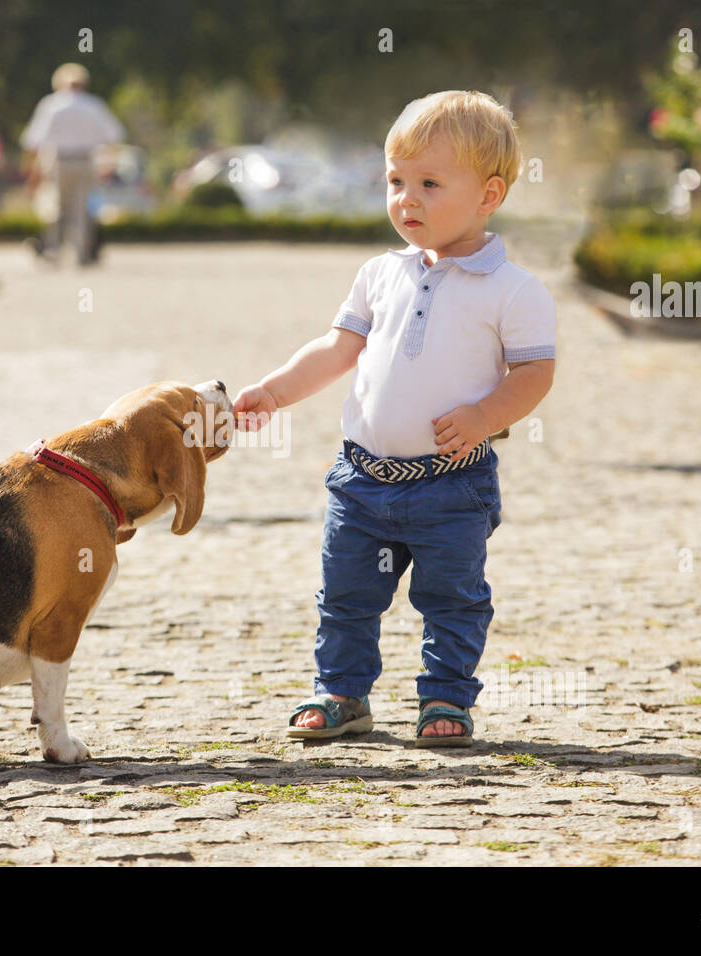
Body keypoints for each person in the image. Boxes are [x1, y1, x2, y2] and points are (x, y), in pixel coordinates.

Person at [232, 90, 557, 746]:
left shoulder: (513, 290)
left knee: (451, 599)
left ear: (489, 195)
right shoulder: (380, 274)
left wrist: (485, 416)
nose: (407, 198)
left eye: (430, 184)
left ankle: (445, 700)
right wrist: (274, 391)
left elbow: (534, 374)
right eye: (396, 181)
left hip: (451, 484)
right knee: (346, 596)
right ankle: (341, 693)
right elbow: (337, 350)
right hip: (363, 480)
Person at [19, 62, 124, 266]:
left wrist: (31, 171)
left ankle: (53, 250)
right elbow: (114, 136)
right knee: (82, 209)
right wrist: (109, 164)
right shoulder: (93, 105)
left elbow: (33, 141)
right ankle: (81, 254)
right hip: (85, 160)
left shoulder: (51, 105)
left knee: (57, 206)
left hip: (60, 161)